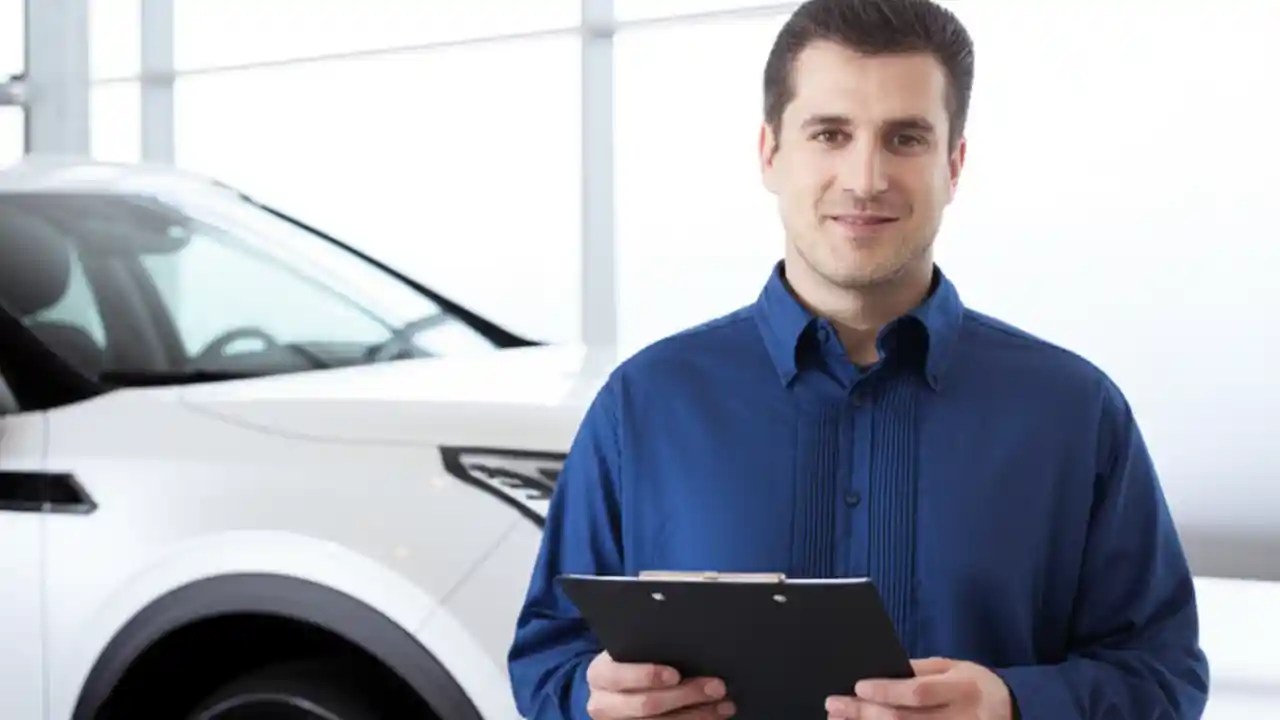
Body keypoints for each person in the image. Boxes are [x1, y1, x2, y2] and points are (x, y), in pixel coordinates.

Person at [507, 0, 1210, 717]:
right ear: (770, 153)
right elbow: (548, 660)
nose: (866, 177)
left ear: (954, 163)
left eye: (904, 138)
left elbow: (1164, 677)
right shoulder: (646, 405)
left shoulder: (1073, 411)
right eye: (830, 133)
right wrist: (589, 702)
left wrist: (1011, 704)